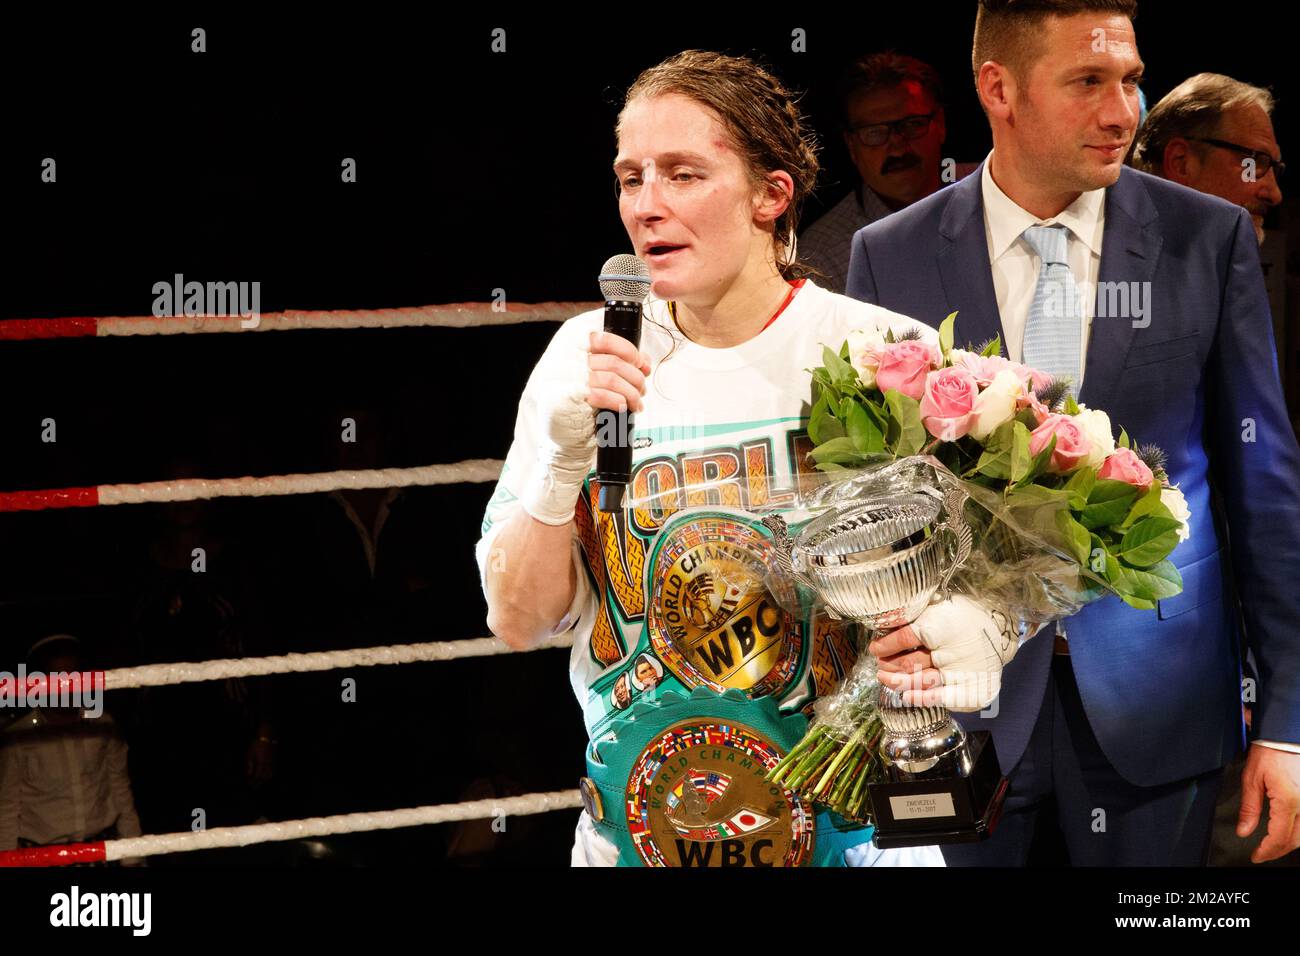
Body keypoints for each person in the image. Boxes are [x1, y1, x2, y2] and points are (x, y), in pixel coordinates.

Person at [476, 50, 1016, 867]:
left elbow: (1027, 538)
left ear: (772, 195)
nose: (647, 206)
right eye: (632, 177)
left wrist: (982, 628)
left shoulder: (878, 352)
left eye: (684, 174)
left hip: (854, 842)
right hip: (640, 837)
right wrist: (557, 474)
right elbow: (517, 622)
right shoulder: (582, 360)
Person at [846, 0, 1300, 866]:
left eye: (1130, 80)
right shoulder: (888, 253)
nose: (1122, 112)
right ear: (998, 89)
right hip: (959, 707)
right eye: (1088, 82)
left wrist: (1288, 726)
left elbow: (1266, 493)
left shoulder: (1208, 238)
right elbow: (877, 496)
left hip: (1162, 704)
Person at [799, 52, 948, 294]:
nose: (898, 146)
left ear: (940, 124)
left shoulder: (990, 197)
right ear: (851, 146)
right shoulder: (821, 254)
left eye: (912, 124)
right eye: (875, 132)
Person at [0, 635, 144, 865]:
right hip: (42, 856)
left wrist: (134, 857)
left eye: (73, 677)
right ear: (39, 683)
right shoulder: (18, 737)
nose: (67, 687)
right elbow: (6, 810)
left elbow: (121, 793)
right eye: (58, 679)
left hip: (100, 852)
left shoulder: (102, 725)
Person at [1132, 73, 1283, 246]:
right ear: (1181, 162)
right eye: (1254, 163)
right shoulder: (1106, 263)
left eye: (1275, 168)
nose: (1275, 195)